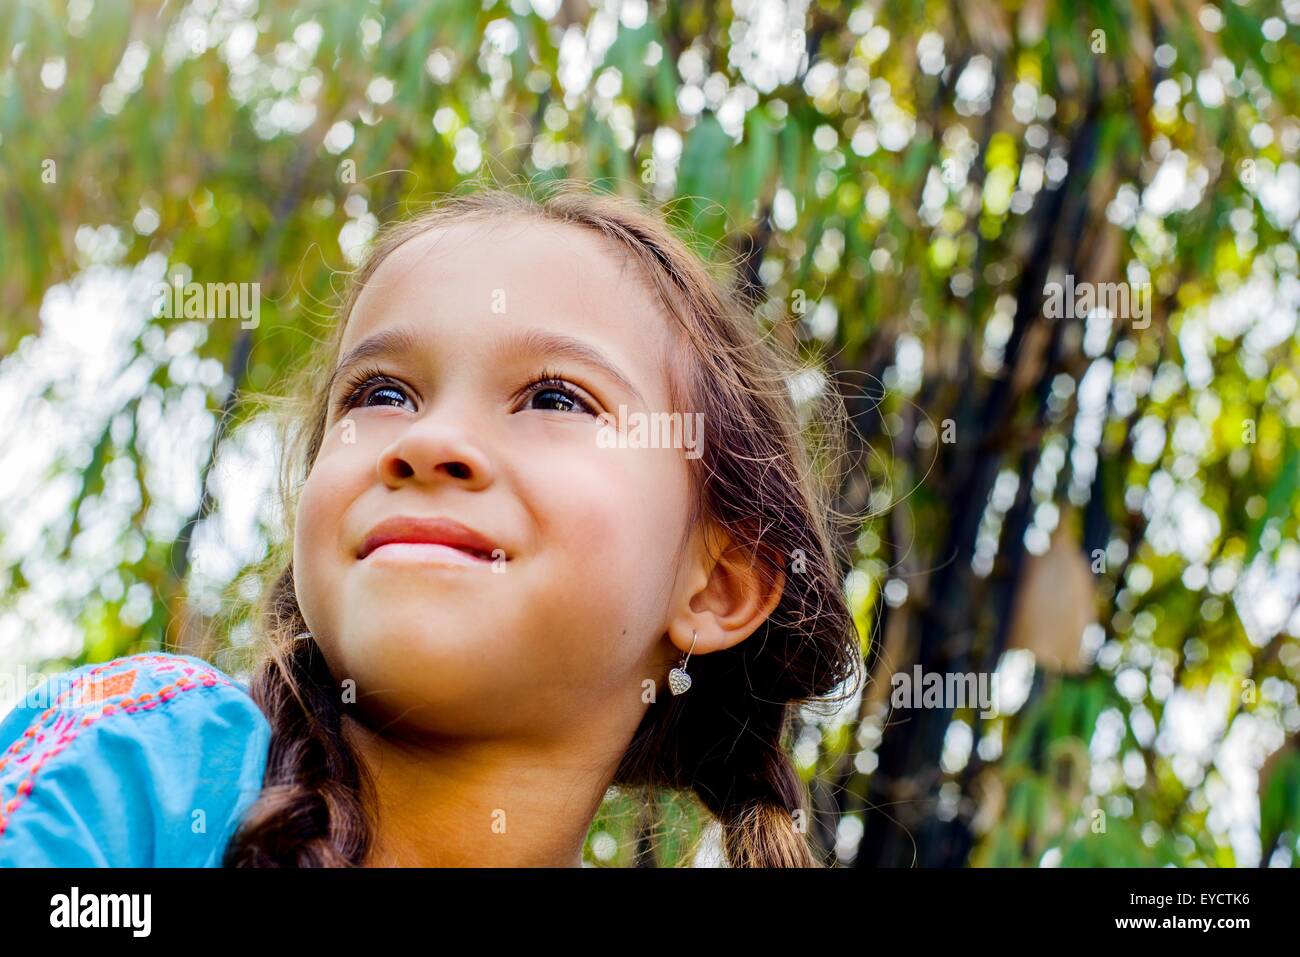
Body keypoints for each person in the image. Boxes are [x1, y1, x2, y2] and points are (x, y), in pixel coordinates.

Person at [0, 181, 863, 867]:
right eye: (381, 393)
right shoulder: (144, 765)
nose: (429, 441)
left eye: (555, 397)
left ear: (716, 584)